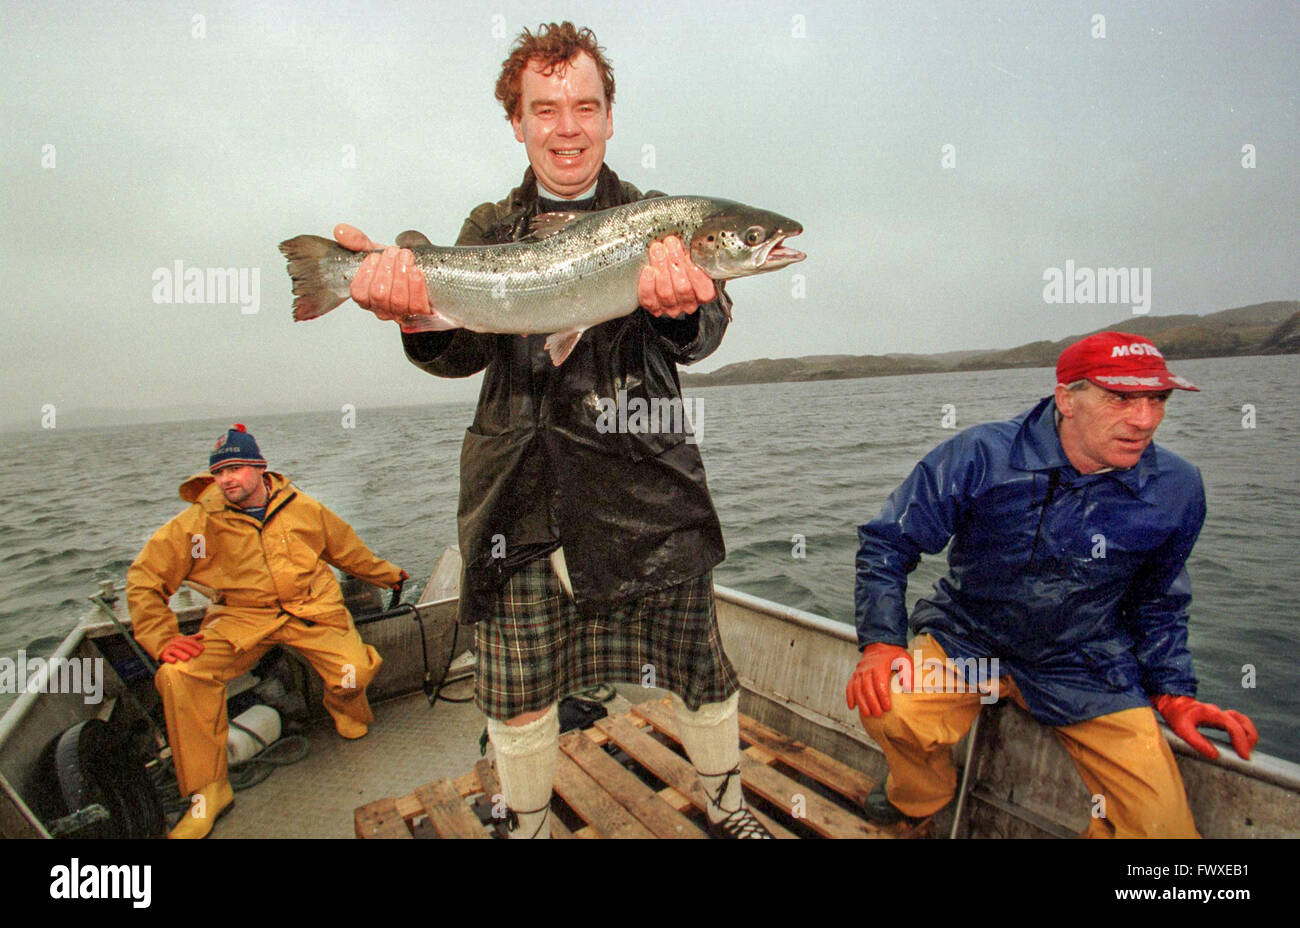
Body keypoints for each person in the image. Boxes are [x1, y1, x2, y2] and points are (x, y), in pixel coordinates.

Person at [332, 22, 769, 838]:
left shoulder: (662, 221)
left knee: (702, 673)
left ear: (610, 117)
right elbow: (459, 349)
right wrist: (411, 314)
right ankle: (528, 824)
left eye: (585, 107)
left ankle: (729, 806)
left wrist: (691, 307)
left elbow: (703, 340)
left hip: (646, 493)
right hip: (517, 495)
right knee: (518, 693)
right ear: (517, 122)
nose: (566, 127)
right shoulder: (490, 224)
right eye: (545, 109)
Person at [847, 331, 1259, 838]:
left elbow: (1159, 601)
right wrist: (881, 641)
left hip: (1084, 660)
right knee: (888, 704)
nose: (1145, 419)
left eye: (1158, 398)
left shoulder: (1177, 487)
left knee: (1162, 830)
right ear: (1067, 397)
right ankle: (920, 795)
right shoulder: (981, 454)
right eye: (1121, 398)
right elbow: (889, 542)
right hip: (969, 640)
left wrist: (1173, 691)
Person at [127, 424, 406, 839]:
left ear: (260, 468)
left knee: (353, 670)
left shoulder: (304, 508)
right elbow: (145, 577)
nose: (226, 480)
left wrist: (390, 576)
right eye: (219, 472)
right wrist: (163, 638)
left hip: (311, 608)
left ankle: (345, 710)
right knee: (179, 675)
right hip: (240, 618)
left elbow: (346, 551)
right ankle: (209, 792)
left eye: (236, 468)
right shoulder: (197, 523)